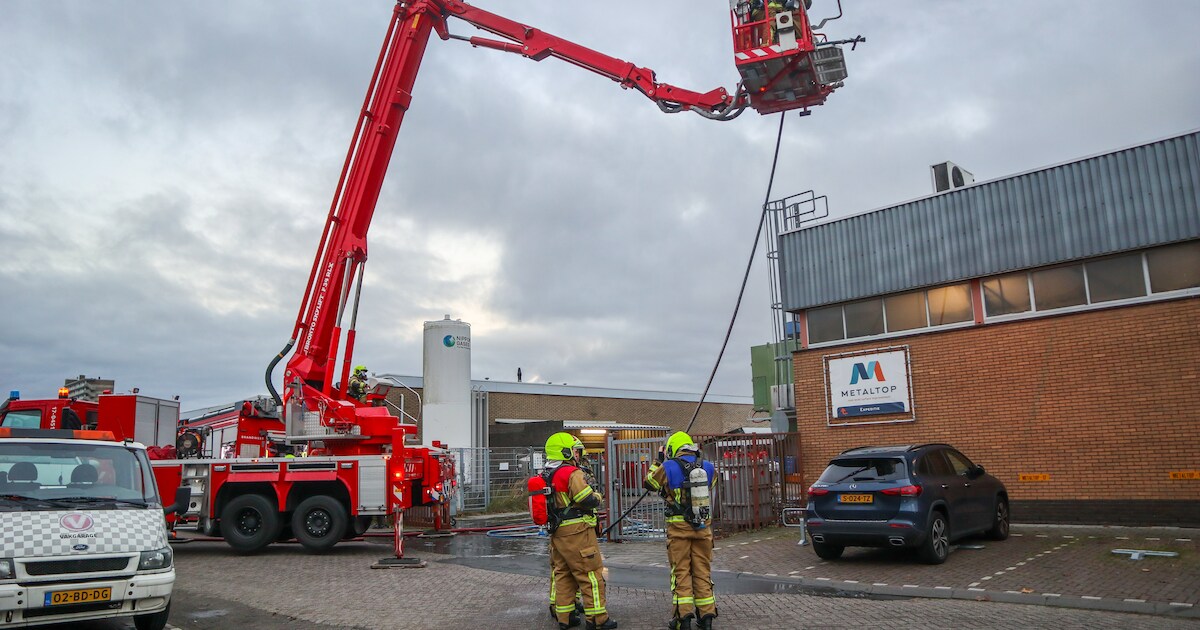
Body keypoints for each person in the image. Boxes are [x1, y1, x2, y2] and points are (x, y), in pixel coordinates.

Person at [644, 432, 718, 630]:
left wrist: (657, 461)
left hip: (678, 531)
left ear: (672, 449)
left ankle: (682, 619)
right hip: (703, 529)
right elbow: (711, 485)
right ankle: (707, 617)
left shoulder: (668, 467)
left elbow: (648, 483)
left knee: (681, 573)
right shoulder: (708, 466)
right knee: (702, 571)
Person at [543, 432, 617, 630]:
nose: (578, 455)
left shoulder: (548, 473)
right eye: (576, 451)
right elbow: (587, 499)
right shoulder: (571, 473)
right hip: (578, 532)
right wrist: (598, 497)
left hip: (558, 533)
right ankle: (598, 619)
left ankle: (565, 617)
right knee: (590, 574)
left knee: (563, 574)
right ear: (565, 451)